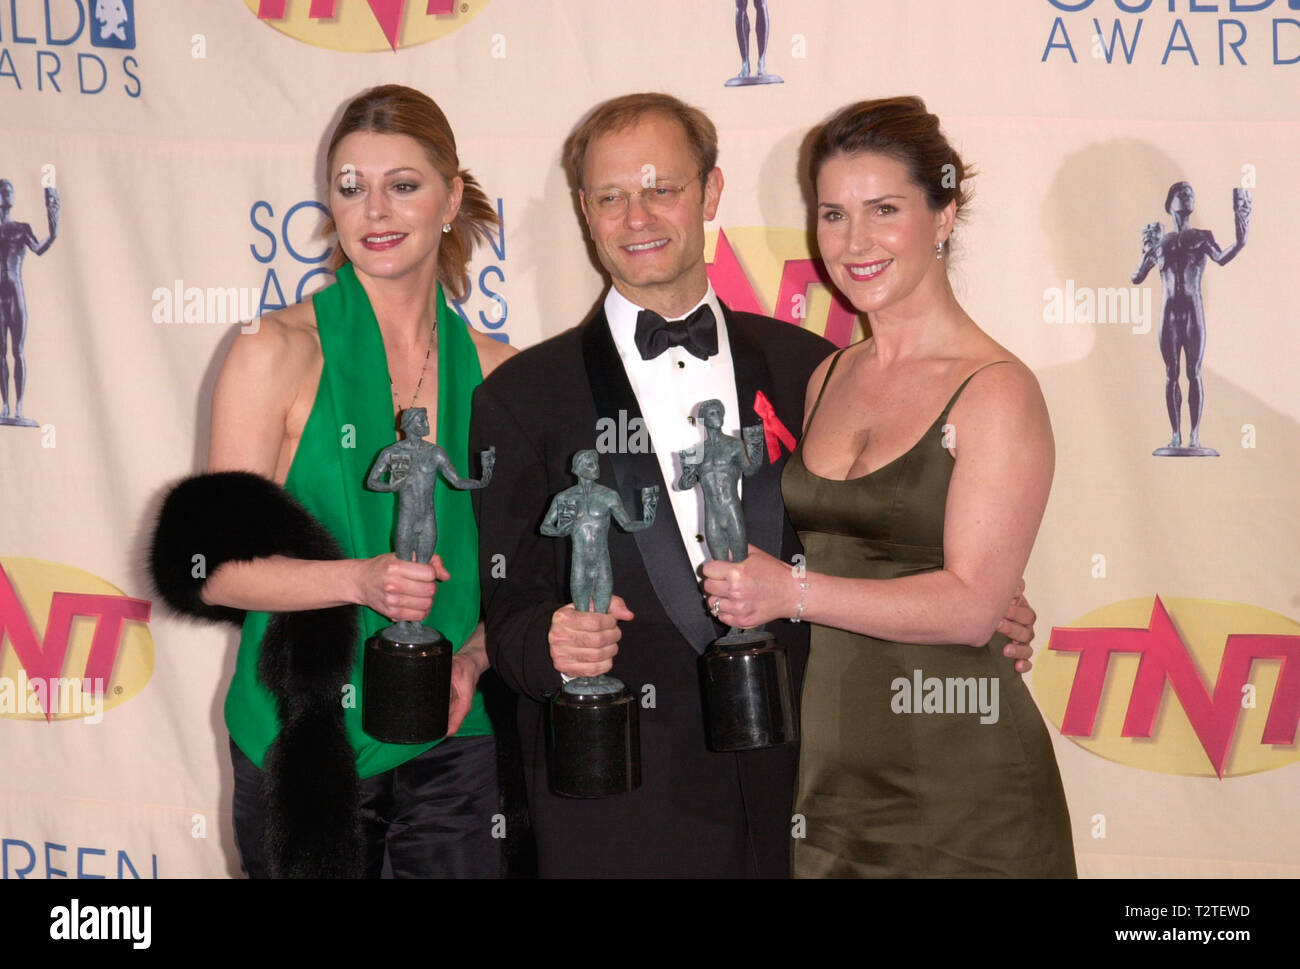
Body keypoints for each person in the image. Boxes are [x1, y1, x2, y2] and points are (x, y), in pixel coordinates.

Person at [471, 93, 1039, 877]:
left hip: (808, 793)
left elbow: (882, 522)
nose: (637, 217)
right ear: (585, 212)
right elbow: (506, 610)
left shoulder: (813, 368)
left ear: (709, 194)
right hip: (625, 805)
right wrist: (550, 644)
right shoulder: (521, 395)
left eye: (662, 188)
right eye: (611, 196)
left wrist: (986, 597)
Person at [703, 96, 1076, 877]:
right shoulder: (827, 374)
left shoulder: (995, 388)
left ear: (943, 216)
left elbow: (974, 607)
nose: (855, 241)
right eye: (833, 214)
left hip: (963, 786)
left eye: (884, 209)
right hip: (831, 783)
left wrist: (791, 591)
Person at [149, 85, 513, 878]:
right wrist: (359, 579)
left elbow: (515, 577)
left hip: (457, 738)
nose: (374, 210)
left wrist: (476, 660)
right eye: (351, 187)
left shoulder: (499, 375)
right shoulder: (272, 351)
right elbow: (212, 571)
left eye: (403, 185)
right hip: (302, 741)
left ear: (452, 197)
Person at [1131, 181, 1250, 455]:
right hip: (1169, 312)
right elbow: (1136, 277)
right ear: (1170, 202)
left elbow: (1221, 258)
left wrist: (1241, 242)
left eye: (1190, 194)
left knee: (1193, 373)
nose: (1187, 197)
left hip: (1193, 310)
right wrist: (1145, 252)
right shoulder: (1161, 241)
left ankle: (1194, 435)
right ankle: (1175, 434)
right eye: (1181, 194)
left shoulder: (1202, 236)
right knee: (1171, 374)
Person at [0, 178, 59, 426]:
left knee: (18, 351)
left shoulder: (21, 228)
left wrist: (54, 230)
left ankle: (19, 406)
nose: (8, 195)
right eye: (4, 191)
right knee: (1, 352)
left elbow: (39, 248)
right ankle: (5, 405)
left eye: (10, 191)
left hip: (15, 292)